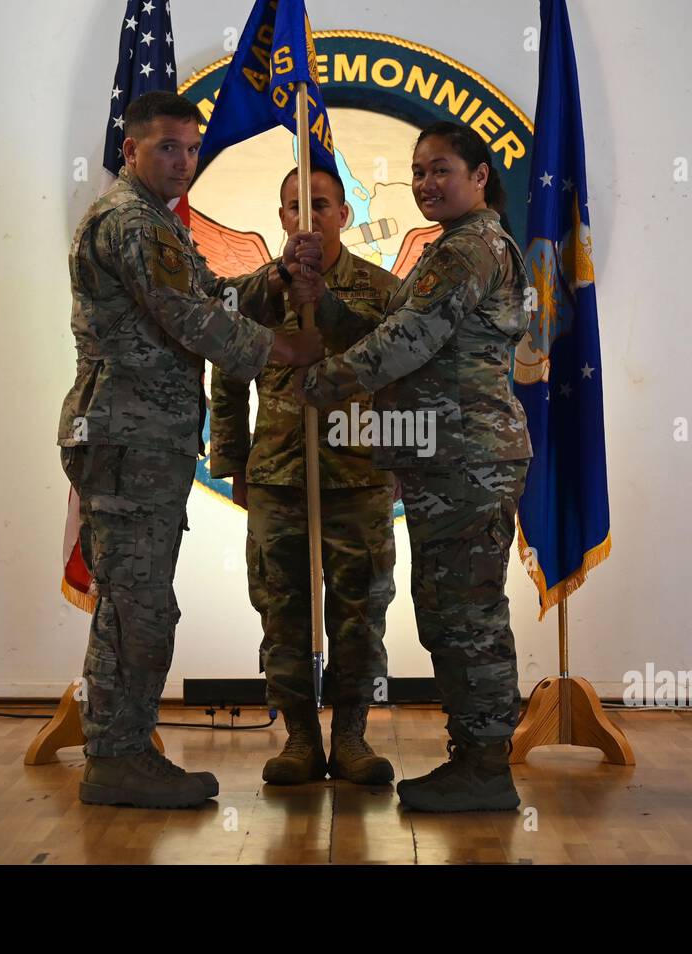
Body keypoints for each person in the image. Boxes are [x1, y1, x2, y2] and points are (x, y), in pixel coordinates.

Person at [57, 91, 324, 809]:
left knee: (139, 604)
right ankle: (117, 758)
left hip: (145, 439)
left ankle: (121, 750)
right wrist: (285, 348)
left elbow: (212, 297)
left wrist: (270, 281)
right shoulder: (130, 223)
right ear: (130, 151)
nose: (182, 161)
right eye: (167, 147)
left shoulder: (157, 226)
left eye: (191, 147)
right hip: (128, 437)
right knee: (137, 608)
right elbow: (188, 318)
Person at [296, 121, 532, 812]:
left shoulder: (470, 250)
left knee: (468, 618)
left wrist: (320, 382)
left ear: (481, 175)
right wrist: (323, 298)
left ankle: (487, 767)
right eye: (419, 172)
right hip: (447, 460)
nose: (428, 183)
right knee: (449, 613)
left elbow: (408, 340)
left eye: (443, 170)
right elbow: (390, 329)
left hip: (469, 461)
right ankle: (474, 758)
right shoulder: (449, 248)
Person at [209, 165, 401, 786]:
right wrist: (233, 463)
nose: (306, 218)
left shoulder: (381, 291)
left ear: (344, 215)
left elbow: (404, 376)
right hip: (277, 475)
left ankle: (351, 738)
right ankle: (297, 738)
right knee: (281, 609)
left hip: (359, 476)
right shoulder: (257, 294)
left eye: (319, 205)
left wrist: (398, 457)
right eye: (293, 206)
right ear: (281, 216)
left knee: (360, 610)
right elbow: (229, 376)